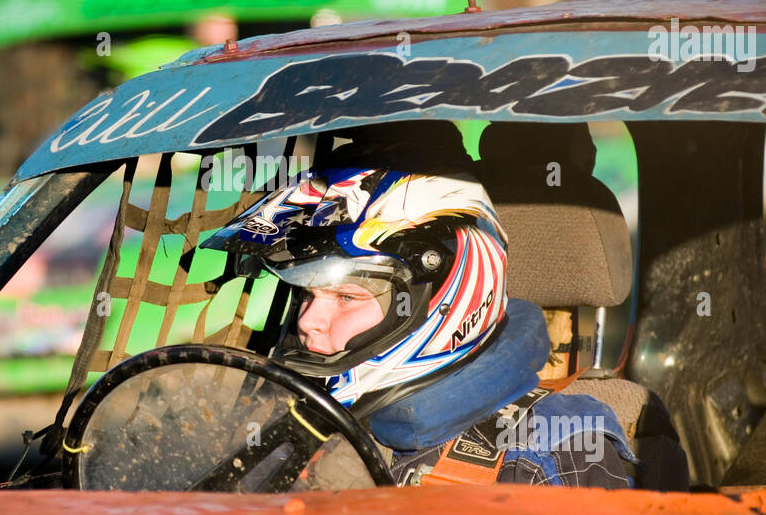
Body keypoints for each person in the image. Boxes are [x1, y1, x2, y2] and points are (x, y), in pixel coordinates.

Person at [201, 125, 638, 489]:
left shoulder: (553, 450)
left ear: (443, 300)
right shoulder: (259, 416)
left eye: (347, 297)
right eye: (306, 295)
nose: (309, 323)